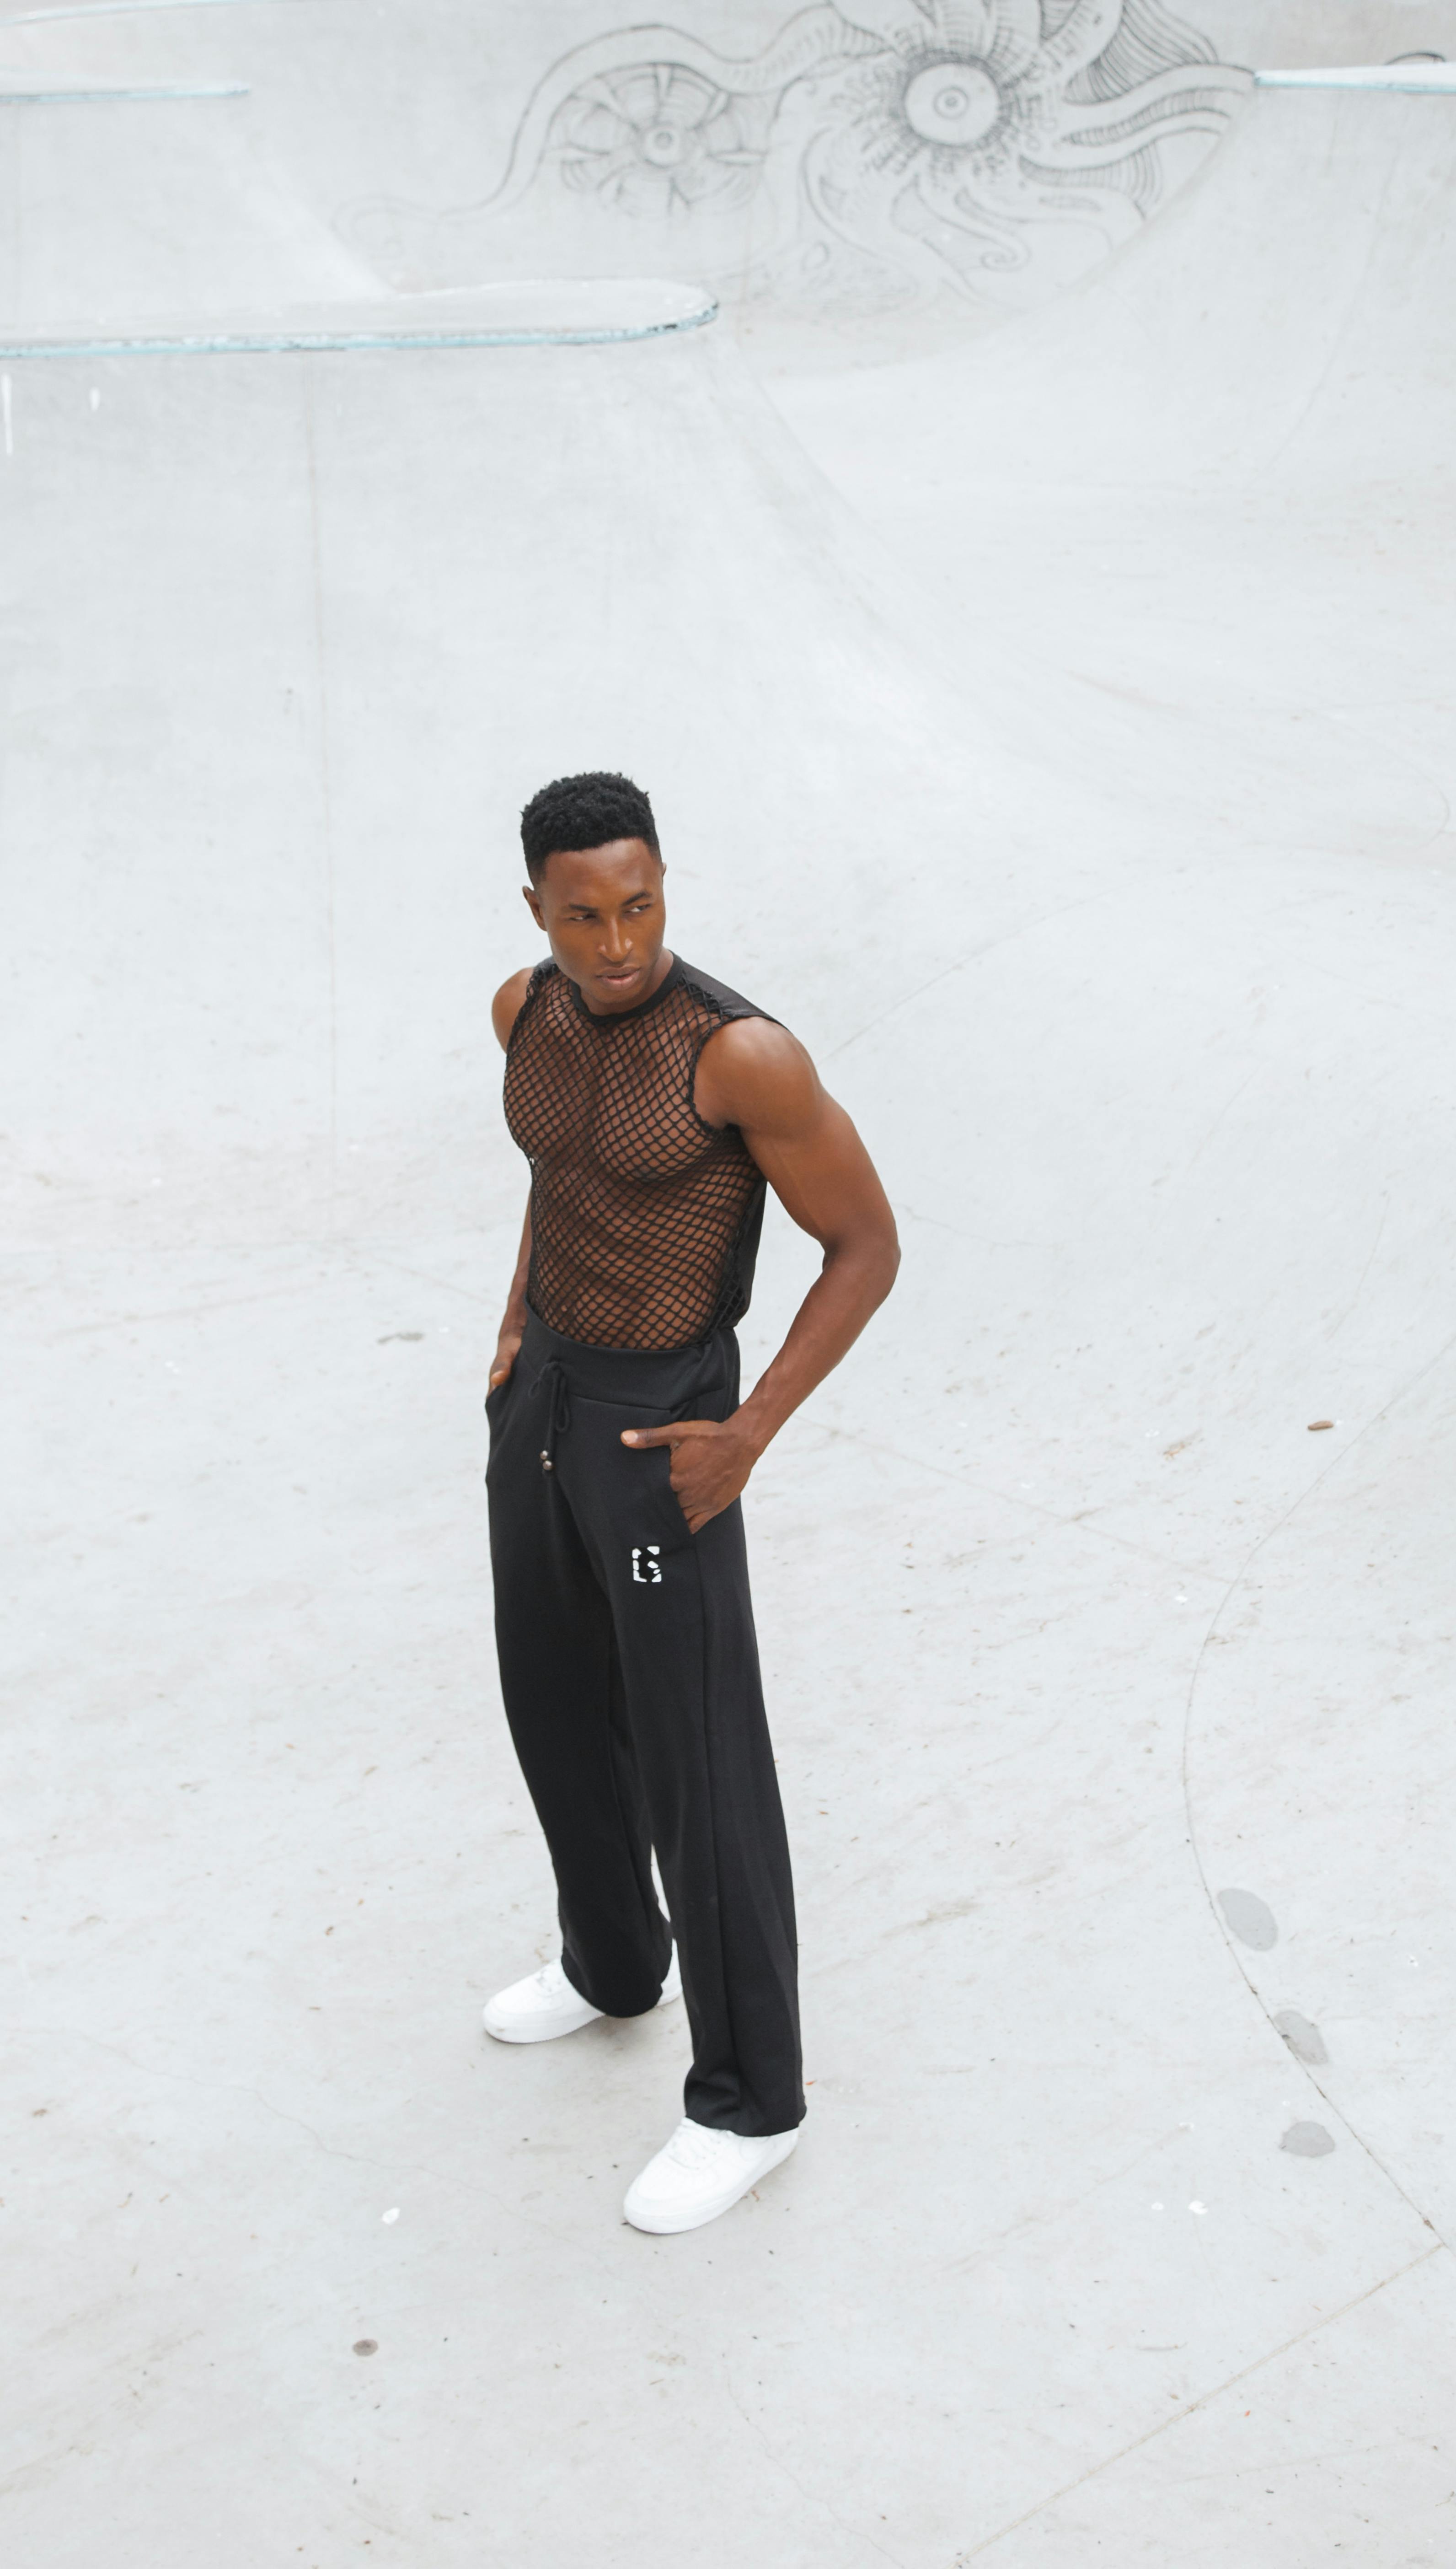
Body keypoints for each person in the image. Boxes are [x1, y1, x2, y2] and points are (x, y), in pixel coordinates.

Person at [482, 771, 900, 2235]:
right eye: (584, 914)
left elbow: (864, 1245)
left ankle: (752, 2101)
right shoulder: (519, 1015)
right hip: (543, 1403)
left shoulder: (740, 1057)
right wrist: (515, 1330)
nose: (617, 942)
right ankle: (612, 1963)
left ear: (668, 886)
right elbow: (559, 1178)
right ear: (535, 908)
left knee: (696, 1754)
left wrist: (749, 1431)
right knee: (547, 1696)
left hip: (670, 1424)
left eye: (641, 905)